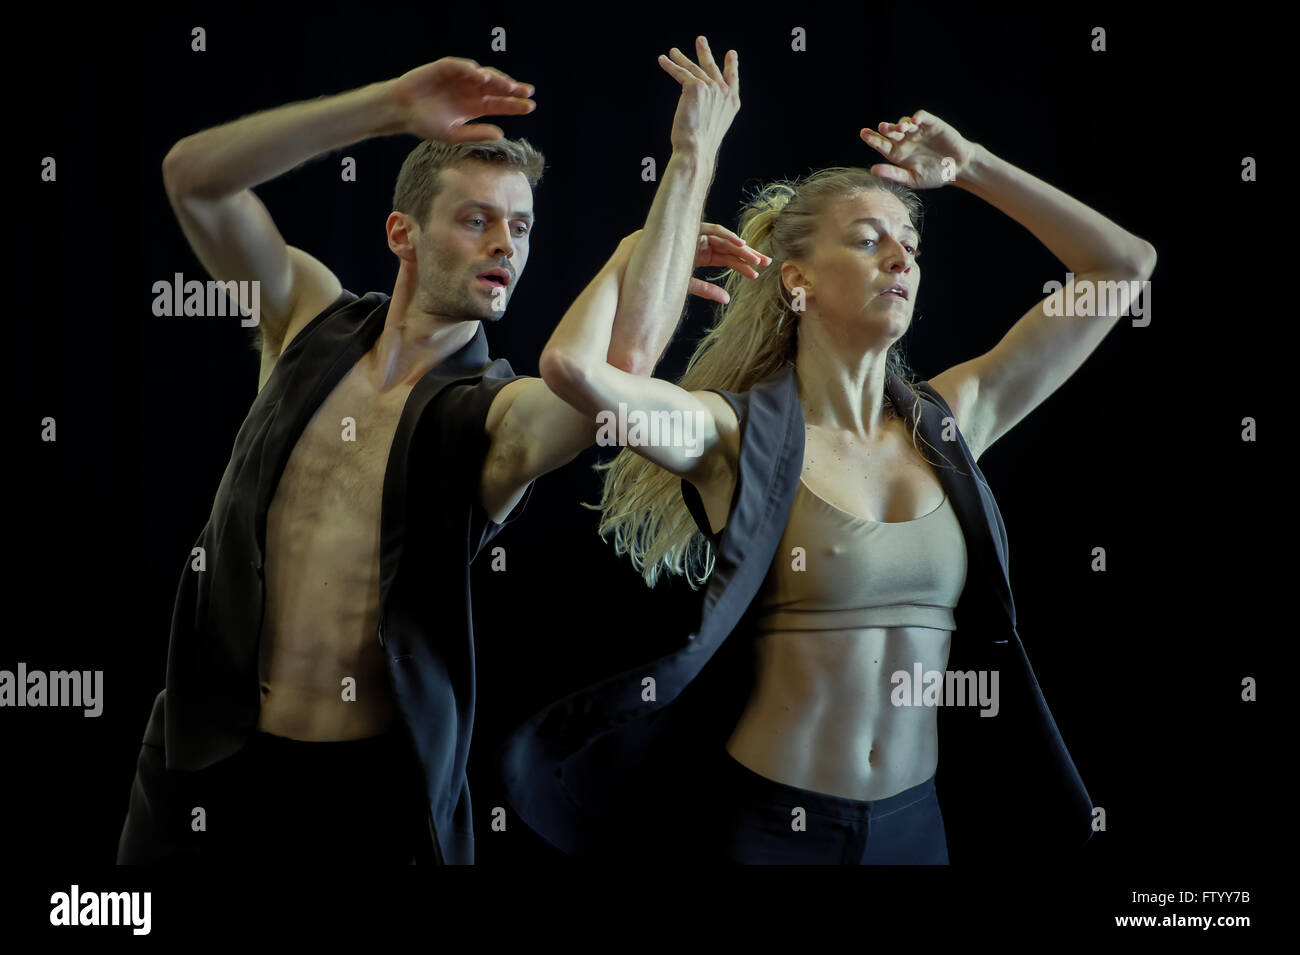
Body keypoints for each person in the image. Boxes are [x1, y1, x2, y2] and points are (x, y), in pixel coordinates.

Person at [116, 48, 760, 865]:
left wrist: (684, 169)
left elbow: (616, 374)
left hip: (367, 802)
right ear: (403, 233)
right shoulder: (306, 320)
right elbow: (193, 178)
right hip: (206, 771)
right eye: (476, 219)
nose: (505, 245)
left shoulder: (497, 416)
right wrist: (384, 107)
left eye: (520, 226)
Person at [501, 106, 1156, 863]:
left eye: (910, 245)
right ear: (798, 280)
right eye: (869, 241)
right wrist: (631, 255)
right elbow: (572, 371)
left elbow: (1123, 270)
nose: (901, 261)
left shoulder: (953, 423)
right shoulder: (730, 434)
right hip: (776, 829)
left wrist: (973, 163)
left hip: (917, 828)